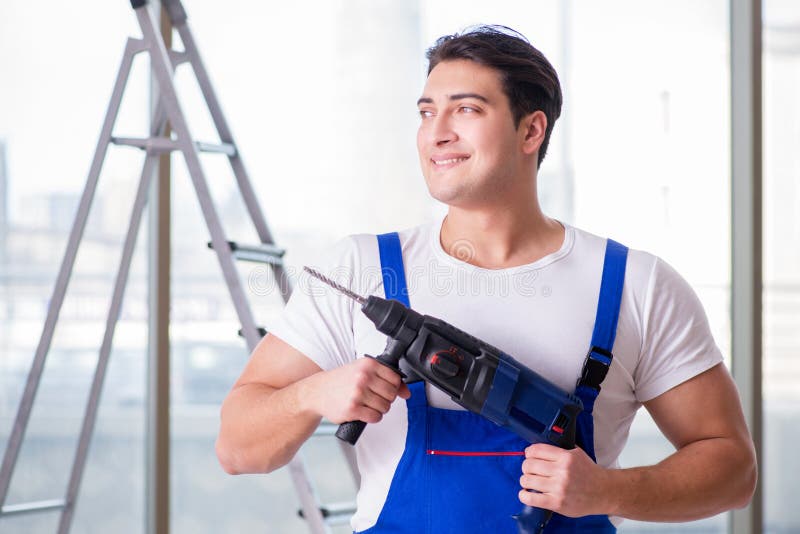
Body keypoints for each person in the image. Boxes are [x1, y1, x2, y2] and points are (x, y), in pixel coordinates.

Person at [216, 25, 756, 533]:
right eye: (426, 113)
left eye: (466, 109)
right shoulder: (360, 268)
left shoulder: (636, 286)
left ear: (531, 129)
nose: (437, 133)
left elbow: (733, 470)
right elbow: (237, 448)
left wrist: (608, 491)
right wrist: (314, 393)